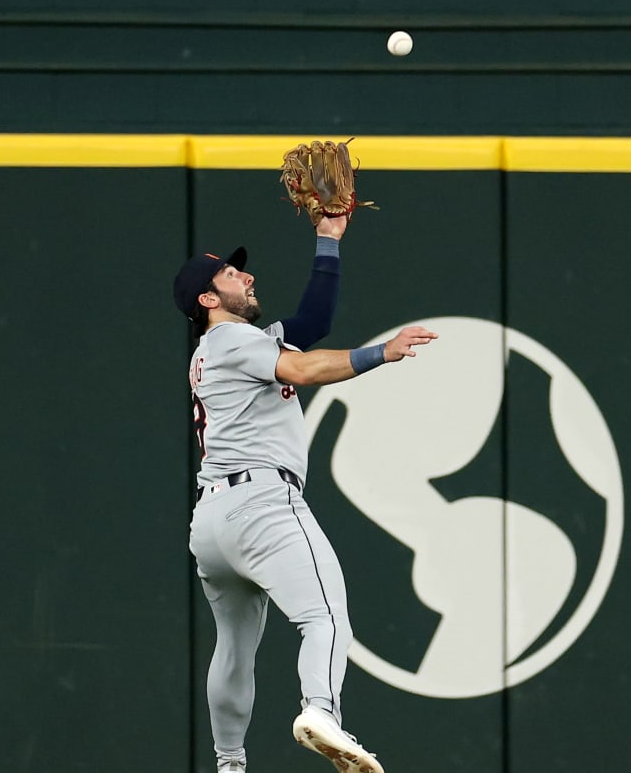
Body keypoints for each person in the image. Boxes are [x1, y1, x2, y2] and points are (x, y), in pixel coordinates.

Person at [172, 214, 437, 773]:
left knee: (234, 647)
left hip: (212, 519)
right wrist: (382, 352)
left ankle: (228, 764)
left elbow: (312, 323)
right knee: (326, 617)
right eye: (229, 274)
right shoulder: (232, 339)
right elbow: (302, 368)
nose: (246, 276)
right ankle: (320, 710)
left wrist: (328, 241)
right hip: (261, 504)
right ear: (207, 299)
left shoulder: (218, 350)